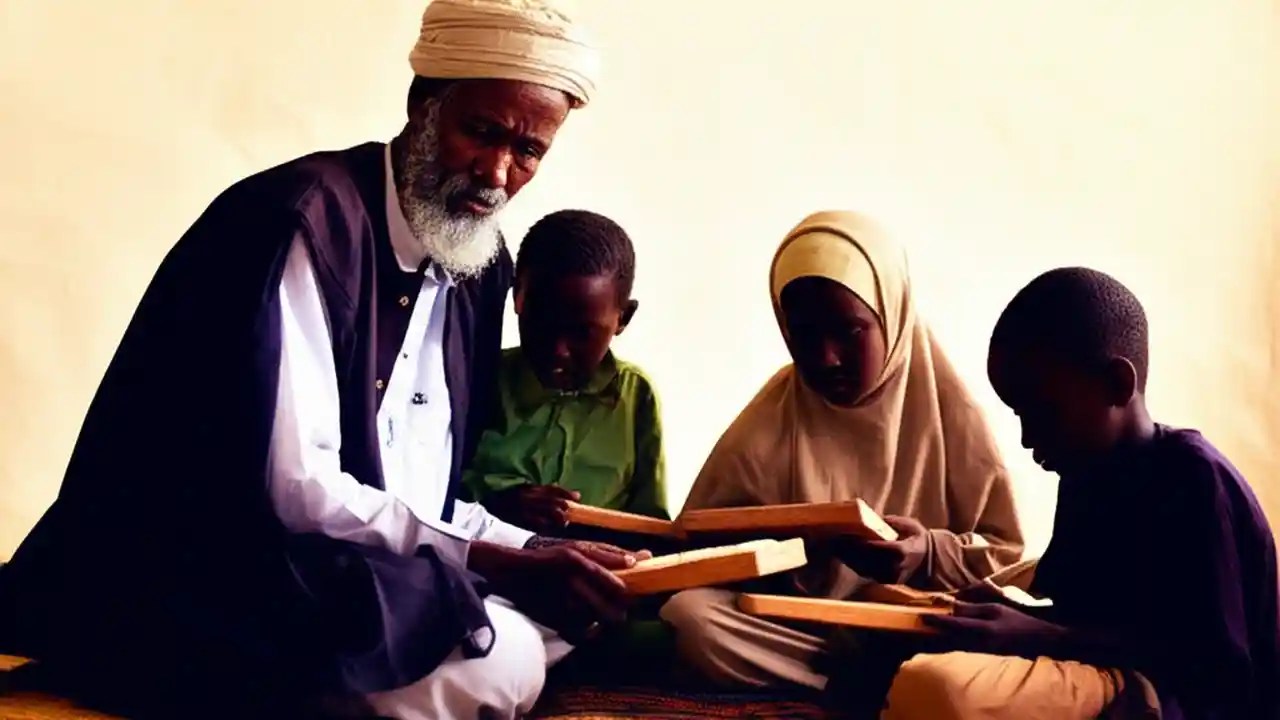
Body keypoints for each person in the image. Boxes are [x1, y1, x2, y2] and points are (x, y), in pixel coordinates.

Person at [0, 2, 641, 719]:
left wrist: (543, 550)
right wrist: (502, 563)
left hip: (357, 565)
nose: (497, 172)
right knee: (499, 665)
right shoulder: (304, 221)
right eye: (481, 132)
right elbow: (297, 493)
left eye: (527, 152)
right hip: (225, 568)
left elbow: (426, 502)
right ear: (424, 103)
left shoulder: (481, 261)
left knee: (567, 616)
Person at [882, 267, 1280, 720]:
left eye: (1042, 412)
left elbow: (1216, 667)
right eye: (1018, 415)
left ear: (1117, 385)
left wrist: (1037, 636)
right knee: (896, 632)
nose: (1027, 438)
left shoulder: (1195, 478)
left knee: (942, 689)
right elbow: (1077, 614)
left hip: (1176, 698)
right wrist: (1004, 609)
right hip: (1100, 664)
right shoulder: (1083, 474)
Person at [659, 210, 1024, 691]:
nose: (826, 357)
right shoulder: (770, 422)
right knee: (691, 617)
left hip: (914, 627)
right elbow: (694, 554)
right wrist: (799, 549)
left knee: (984, 643)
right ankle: (873, 686)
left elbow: (1007, 558)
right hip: (804, 632)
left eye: (849, 331)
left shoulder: (949, 413)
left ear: (890, 315)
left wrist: (924, 553)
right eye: (804, 336)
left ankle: (888, 678)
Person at [463, 209, 668, 536]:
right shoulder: (479, 377)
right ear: (517, 296)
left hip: (600, 575)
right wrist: (499, 504)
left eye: (582, 333)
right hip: (487, 566)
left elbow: (651, 525)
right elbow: (432, 494)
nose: (558, 350)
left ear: (623, 318)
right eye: (543, 324)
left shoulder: (635, 396)